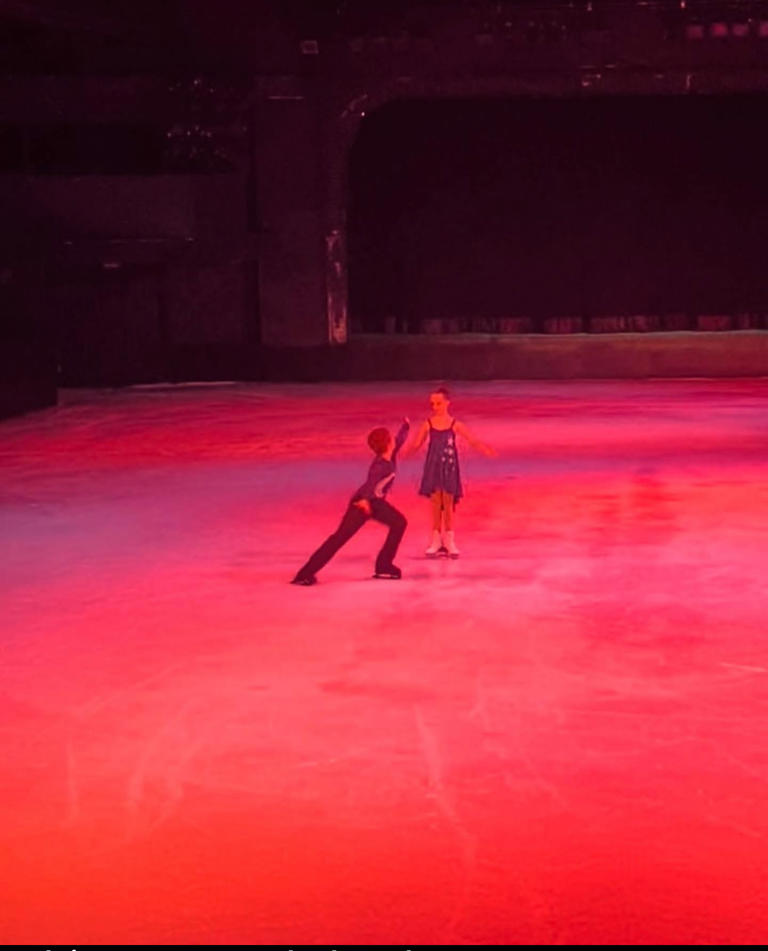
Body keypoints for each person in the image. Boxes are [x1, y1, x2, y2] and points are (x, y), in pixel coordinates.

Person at [291, 418, 410, 585]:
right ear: (388, 443)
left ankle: (384, 565)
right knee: (339, 538)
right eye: (391, 438)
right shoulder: (379, 466)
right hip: (361, 504)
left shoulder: (390, 452)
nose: (394, 440)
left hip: (375, 503)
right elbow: (370, 484)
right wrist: (365, 503)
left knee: (399, 523)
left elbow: (400, 440)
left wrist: (406, 427)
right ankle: (304, 574)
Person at [409, 386, 494, 558]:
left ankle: (449, 539)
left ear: (447, 403)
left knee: (447, 504)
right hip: (433, 467)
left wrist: (486, 450)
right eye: (433, 404)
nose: (435, 407)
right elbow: (416, 445)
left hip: (449, 468)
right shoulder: (428, 424)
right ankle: (435, 540)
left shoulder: (455, 425)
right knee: (435, 504)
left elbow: (472, 441)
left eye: (438, 403)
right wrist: (396, 453)